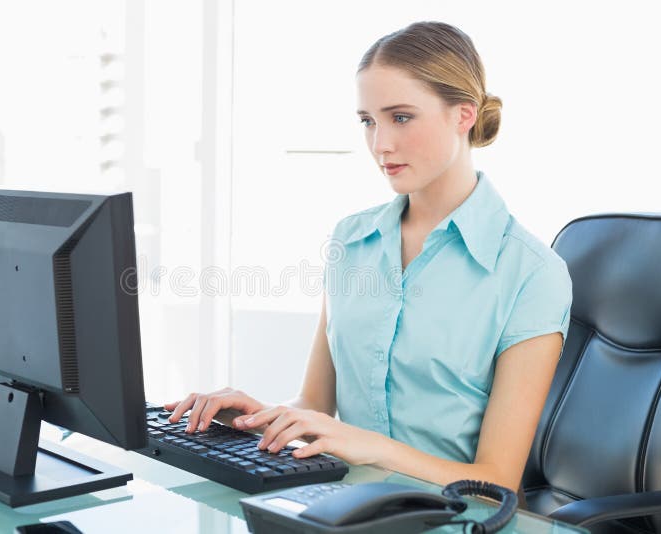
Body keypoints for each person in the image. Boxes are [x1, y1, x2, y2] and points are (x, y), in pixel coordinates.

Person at [164, 21, 572, 499]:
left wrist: (369, 446)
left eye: (400, 117)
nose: (380, 144)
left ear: (464, 115)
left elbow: (496, 480)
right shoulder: (352, 239)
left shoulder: (531, 273)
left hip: (451, 519)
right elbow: (316, 404)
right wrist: (258, 417)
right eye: (367, 121)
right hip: (340, 507)